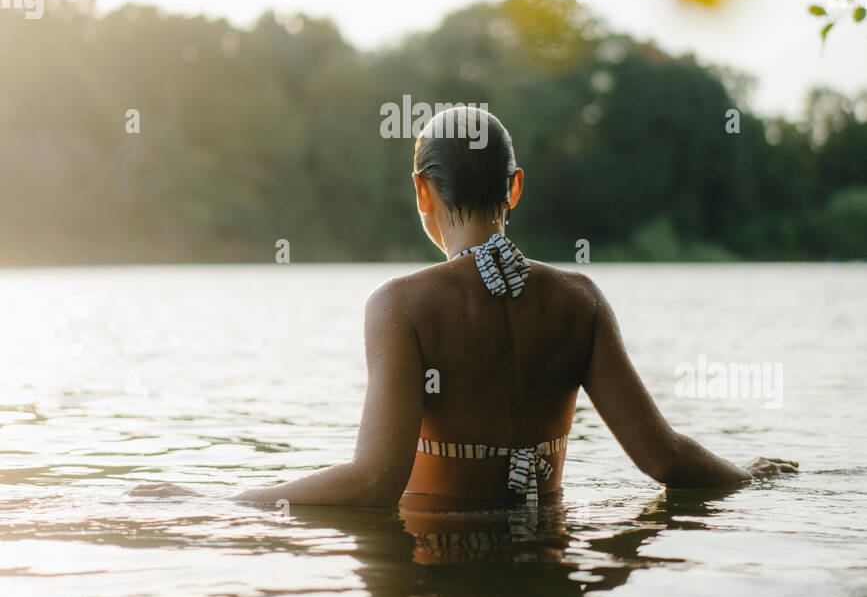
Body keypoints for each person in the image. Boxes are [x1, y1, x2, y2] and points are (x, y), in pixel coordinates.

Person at [233, 106, 797, 509]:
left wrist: (229, 498)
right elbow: (667, 459)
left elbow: (376, 479)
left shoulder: (399, 305)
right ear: (515, 187)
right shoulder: (580, 302)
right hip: (546, 567)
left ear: (423, 191)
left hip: (435, 563)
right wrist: (746, 475)